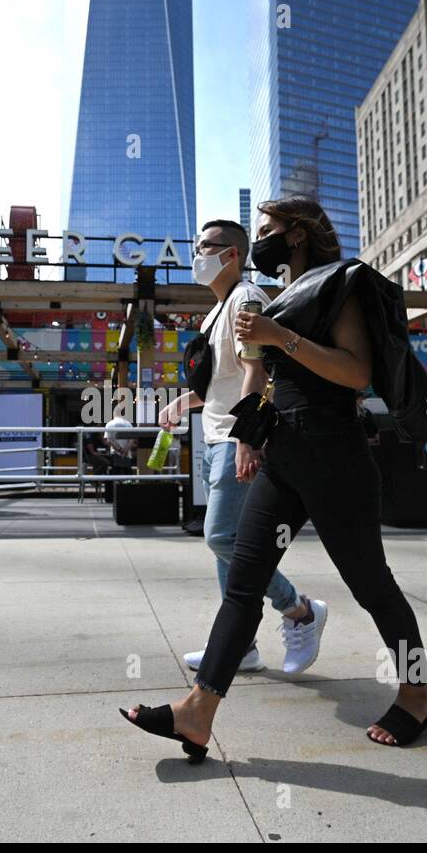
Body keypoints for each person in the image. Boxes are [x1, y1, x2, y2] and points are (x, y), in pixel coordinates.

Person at [123, 195, 427, 753]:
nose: (262, 240)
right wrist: (251, 432)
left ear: (297, 233)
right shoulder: (282, 296)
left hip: (334, 451)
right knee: (243, 581)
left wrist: (279, 338)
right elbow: (267, 381)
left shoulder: (336, 283)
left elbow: (355, 372)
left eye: (268, 230)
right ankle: (198, 711)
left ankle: (417, 692)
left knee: (372, 586)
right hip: (284, 449)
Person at [158, 217, 327, 674]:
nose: (197, 255)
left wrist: (248, 439)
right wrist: (183, 402)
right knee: (224, 545)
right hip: (215, 439)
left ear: (232, 254)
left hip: (237, 439)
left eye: (206, 247)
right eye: (196, 246)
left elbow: (258, 374)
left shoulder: (248, 299)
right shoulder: (217, 310)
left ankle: (299, 610)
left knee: (222, 537)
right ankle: (240, 645)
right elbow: (223, 382)